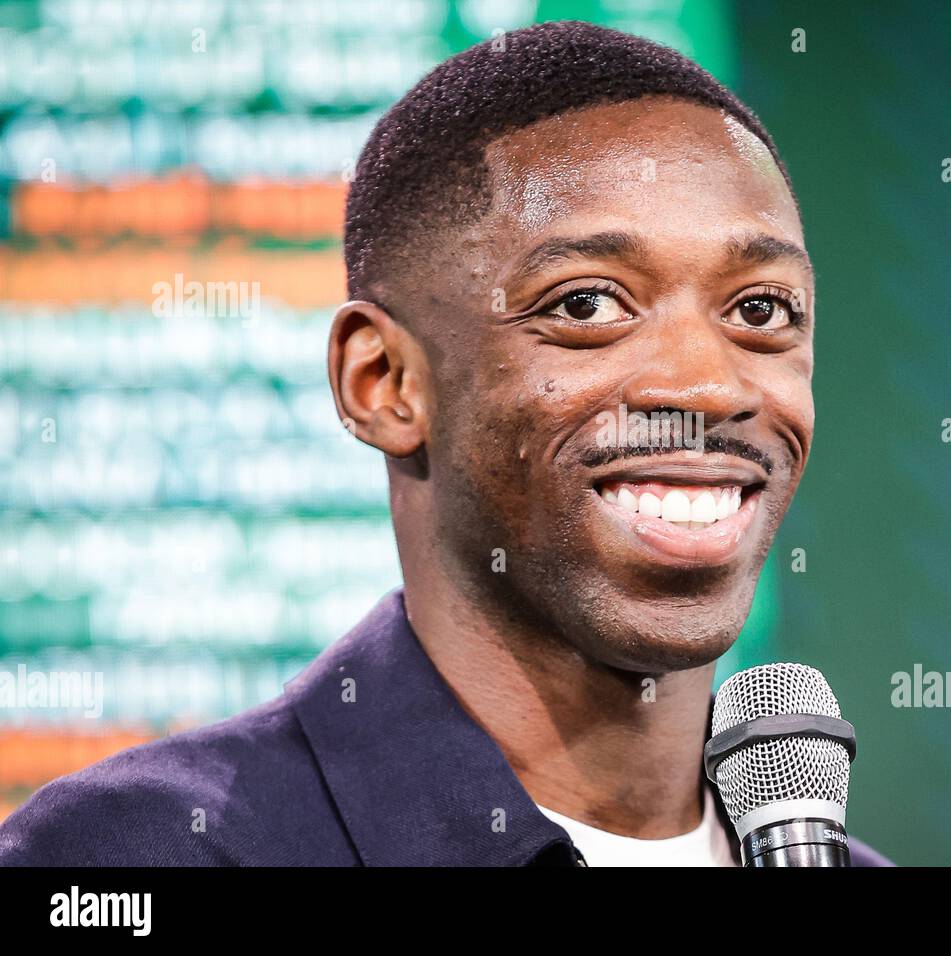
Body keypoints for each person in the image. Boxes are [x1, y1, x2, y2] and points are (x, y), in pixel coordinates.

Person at [0, 20, 890, 867]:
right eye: (586, 304)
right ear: (382, 383)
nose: (708, 386)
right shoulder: (137, 854)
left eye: (760, 311)